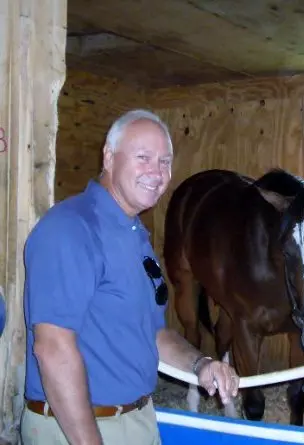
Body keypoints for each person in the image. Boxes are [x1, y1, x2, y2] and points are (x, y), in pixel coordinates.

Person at [20, 109, 240, 445]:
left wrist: (200, 364)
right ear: (109, 158)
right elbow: (52, 348)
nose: (157, 172)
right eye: (143, 158)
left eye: (165, 161)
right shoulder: (70, 230)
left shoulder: (135, 236)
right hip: (77, 429)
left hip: (136, 420)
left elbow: (153, 334)